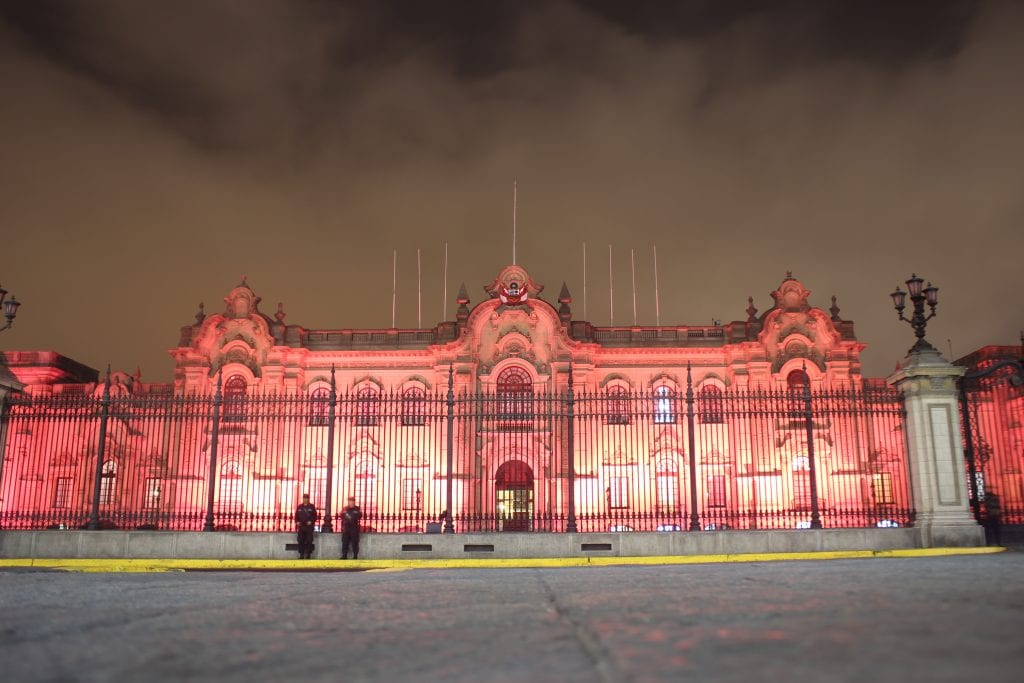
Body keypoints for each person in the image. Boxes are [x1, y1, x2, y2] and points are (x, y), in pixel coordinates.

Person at [295, 493, 318, 559]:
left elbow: (315, 516)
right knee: (300, 540)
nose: (305, 499)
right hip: (301, 526)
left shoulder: (311, 507)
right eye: (304, 498)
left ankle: (308, 554)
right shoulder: (299, 507)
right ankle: (301, 554)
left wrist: (311, 521)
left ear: (308, 499)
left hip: (309, 527)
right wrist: (297, 522)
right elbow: (296, 517)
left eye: (306, 498)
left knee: (309, 540)